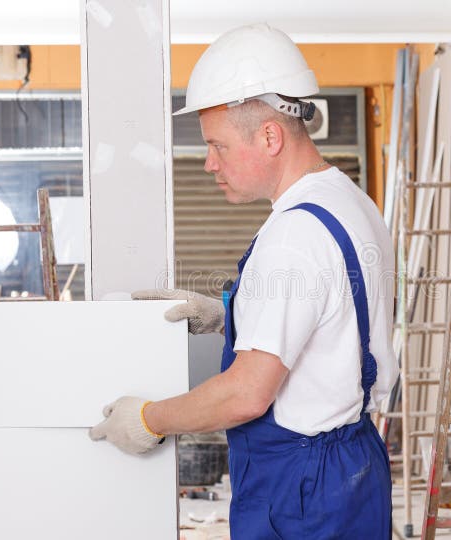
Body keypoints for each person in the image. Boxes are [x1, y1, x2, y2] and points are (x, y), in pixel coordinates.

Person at [89, 23, 397, 539]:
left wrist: (149, 419)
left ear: (270, 136)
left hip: (301, 490)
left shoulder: (293, 234)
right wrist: (227, 312)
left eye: (219, 146)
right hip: (353, 467)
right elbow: (332, 314)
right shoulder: (349, 199)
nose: (210, 163)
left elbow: (247, 394)